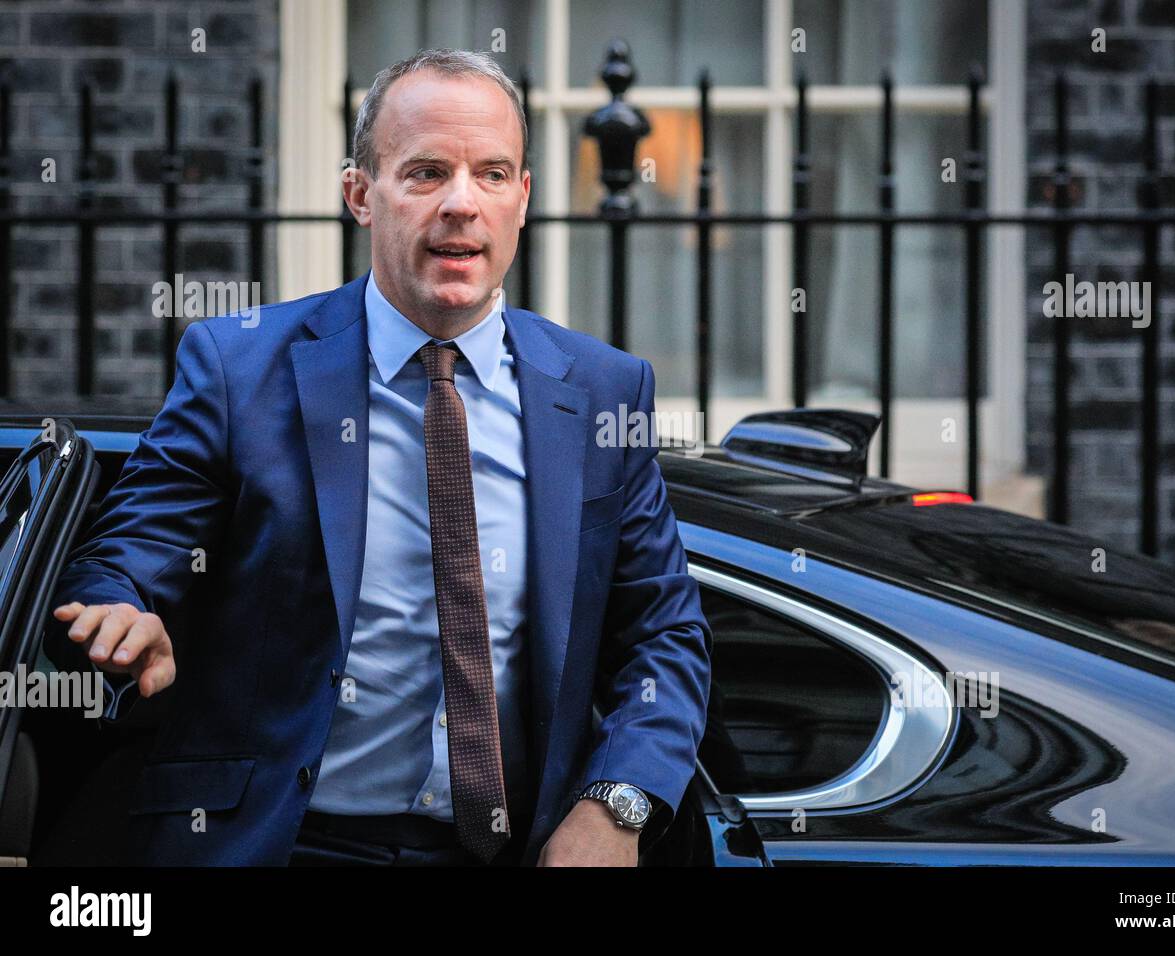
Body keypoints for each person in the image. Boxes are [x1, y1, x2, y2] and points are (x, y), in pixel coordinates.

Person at [45, 48, 712, 867]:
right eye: (427, 172)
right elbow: (124, 557)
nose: (462, 205)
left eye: (492, 174)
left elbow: (665, 636)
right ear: (360, 193)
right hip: (284, 848)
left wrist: (617, 804)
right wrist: (121, 608)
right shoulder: (238, 368)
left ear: (524, 198)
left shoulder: (603, 391)